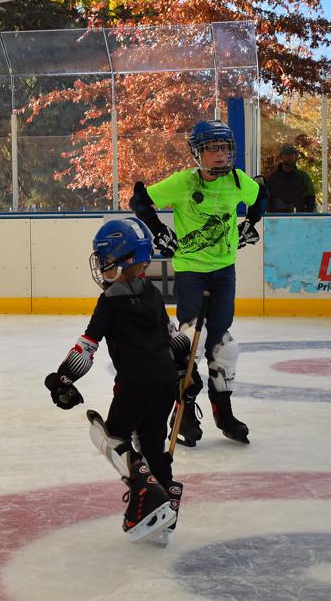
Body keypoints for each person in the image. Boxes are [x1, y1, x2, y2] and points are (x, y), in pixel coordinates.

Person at [44, 217, 197, 545]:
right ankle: (165, 505)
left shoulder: (110, 301)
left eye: (105, 260)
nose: (101, 267)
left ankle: (148, 494)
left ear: (123, 260)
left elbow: (88, 346)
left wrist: (62, 378)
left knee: (109, 437)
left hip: (135, 386)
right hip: (165, 384)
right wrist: (189, 373)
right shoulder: (155, 295)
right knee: (152, 444)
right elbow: (175, 341)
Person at [127, 119, 267, 448]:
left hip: (224, 270)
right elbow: (139, 202)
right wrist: (159, 231)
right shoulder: (183, 183)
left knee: (222, 345)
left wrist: (251, 222)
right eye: (212, 149)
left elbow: (261, 196)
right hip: (190, 271)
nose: (220, 155)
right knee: (187, 342)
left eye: (225, 148)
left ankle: (223, 411)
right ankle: (184, 412)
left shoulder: (236, 180)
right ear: (197, 153)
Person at [264, 143, 316, 212]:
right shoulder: (271, 178)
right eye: (286, 154)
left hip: (298, 219)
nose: (290, 157)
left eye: (292, 154)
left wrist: (308, 218)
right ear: (281, 157)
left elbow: (311, 199)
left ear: (295, 157)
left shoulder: (303, 177)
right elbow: (265, 199)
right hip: (276, 219)